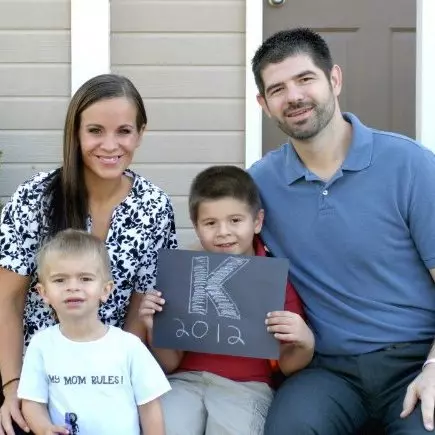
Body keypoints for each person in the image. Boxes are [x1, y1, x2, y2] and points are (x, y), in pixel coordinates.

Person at [248, 27, 435, 434]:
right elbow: (224, 254)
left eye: (305, 79)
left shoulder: (411, 166)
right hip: (326, 369)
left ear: (334, 79)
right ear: (264, 104)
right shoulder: (259, 185)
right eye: (277, 89)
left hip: (415, 358)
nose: (293, 96)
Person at [0, 74, 177, 435]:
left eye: (124, 131)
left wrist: (118, 382)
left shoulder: (154, 207)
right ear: (76, 134)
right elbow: (8, 301)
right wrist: (13, 387)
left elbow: (138, 310)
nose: (110, 145)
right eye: (95, 130)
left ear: (140, 133)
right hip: (38, 373)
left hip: (108, 376)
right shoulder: (35, 198)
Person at [140, 165, 314, 435]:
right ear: (197, 227)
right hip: (183, 382)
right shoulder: (184, 274)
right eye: (210, 223)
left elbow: (287, 364)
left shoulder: (273, 279)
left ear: (257, 222)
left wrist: (305, 343)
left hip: (247, 387)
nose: (223, 232)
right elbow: (170, 363)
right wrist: (154, 327)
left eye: (235, 220)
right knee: (164, 427)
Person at [17, 229, 170, 435]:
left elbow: (150, 407)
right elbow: (32, 402)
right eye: (60, 280)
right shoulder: (41, 345)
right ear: (43, 293)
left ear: (105, 290)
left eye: (85, 279)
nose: (73, 287)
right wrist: (44, 429)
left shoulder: (129, 345)